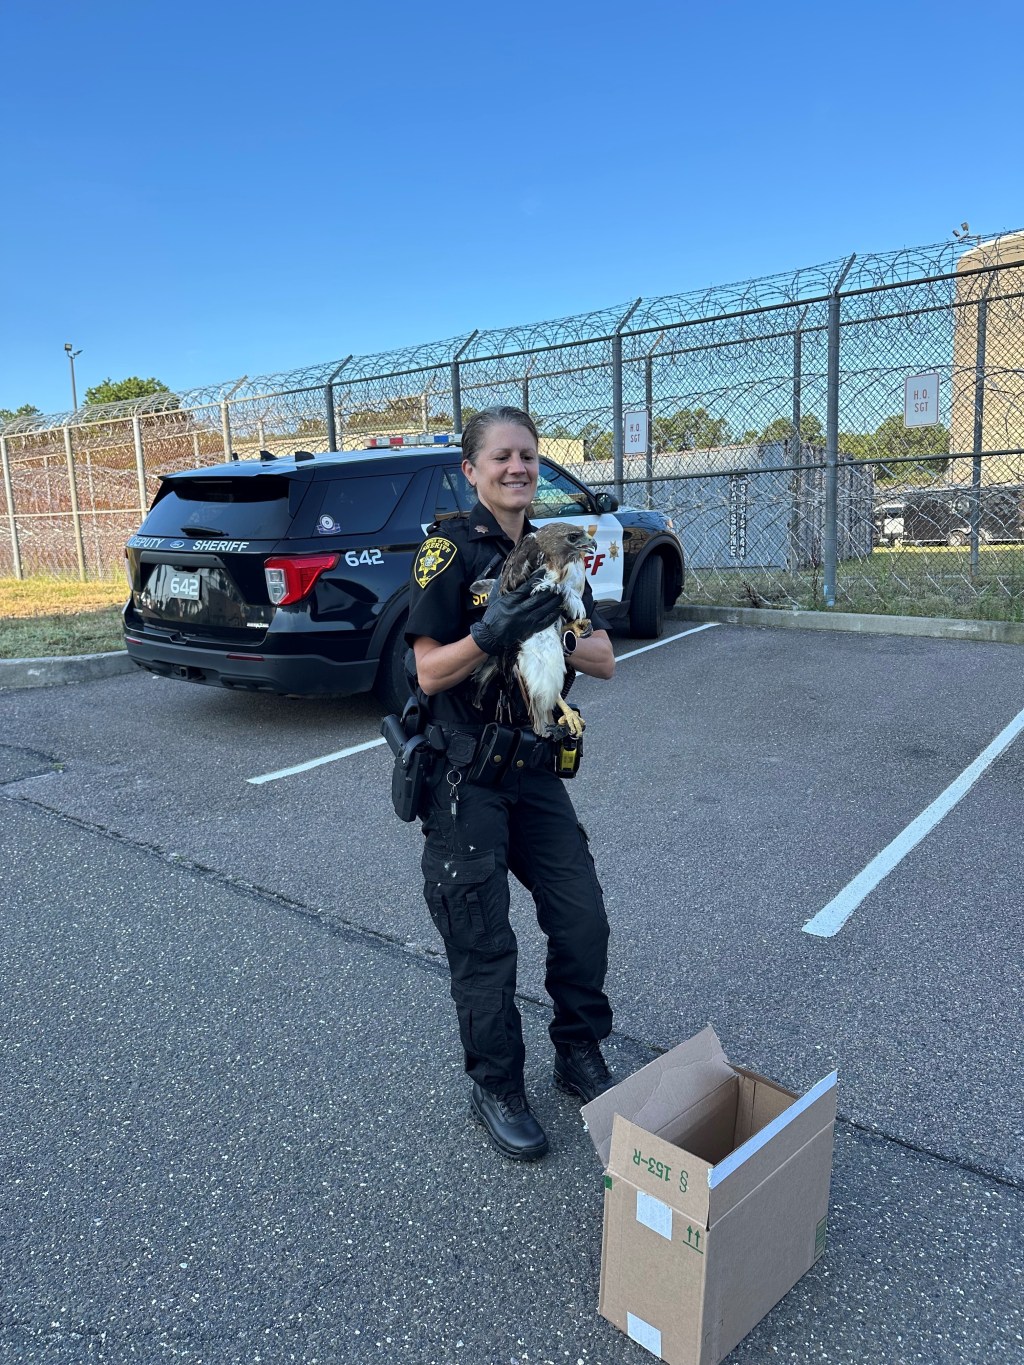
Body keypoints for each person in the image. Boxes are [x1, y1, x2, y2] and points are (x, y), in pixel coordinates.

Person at [405, 405, 616, 1162]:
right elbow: (430, 671)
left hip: (534, 766)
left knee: (582, 916)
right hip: (466, 776)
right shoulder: (448, 551)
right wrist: (491, 630)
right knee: (484, 940)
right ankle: (497, 1084)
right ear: (472, 470)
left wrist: (553, 624)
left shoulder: (555, 548)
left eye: (527, 454)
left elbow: (604, 657)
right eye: (501, 457)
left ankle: (578, 1050)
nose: (518, 467)